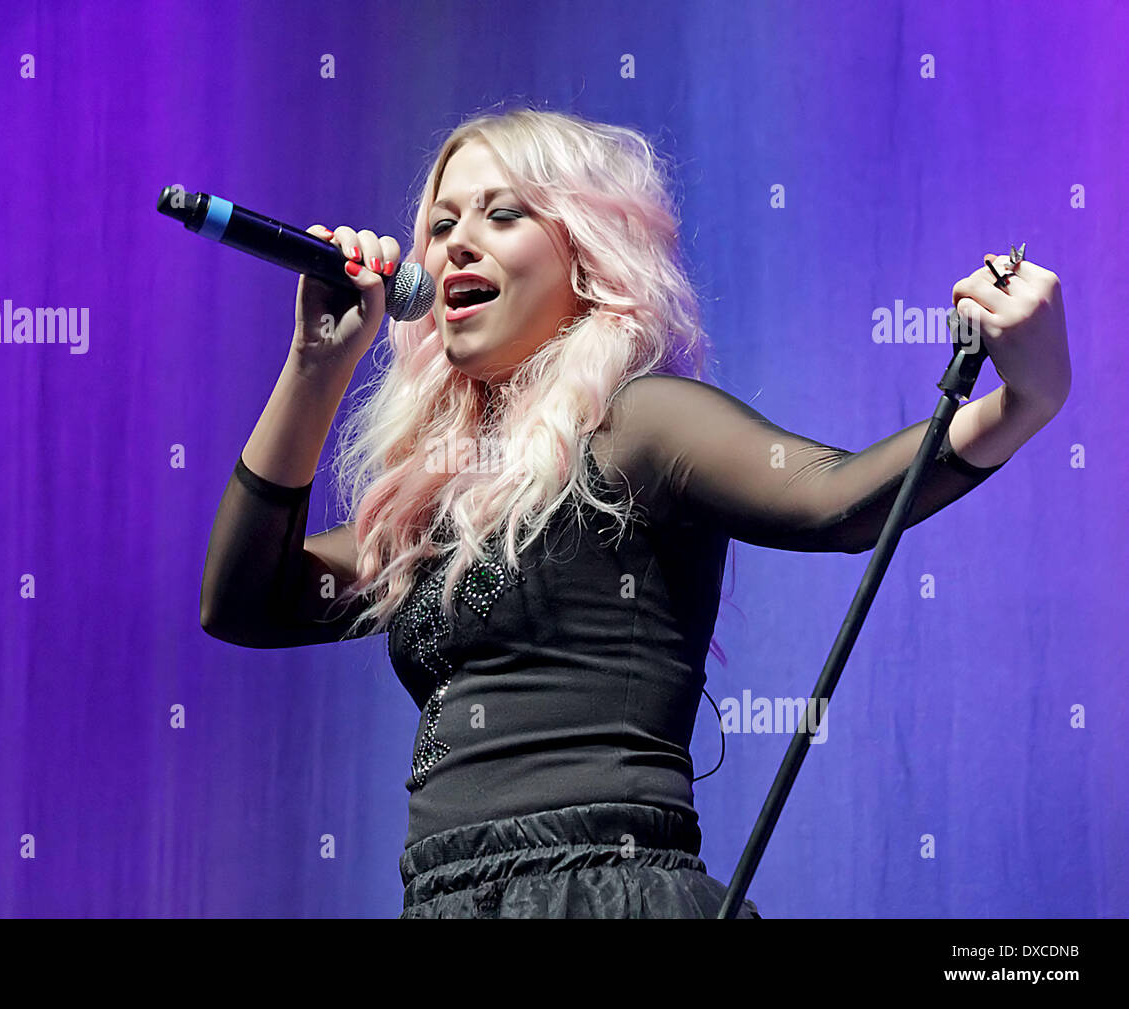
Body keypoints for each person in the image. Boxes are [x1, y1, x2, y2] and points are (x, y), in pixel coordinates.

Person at [198, 106, 1071, 918]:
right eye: (441, 223)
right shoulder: (440, 512)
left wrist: (1026, 399)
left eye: (502, 214)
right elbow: (245, 602)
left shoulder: (634, 425)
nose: (458, 242)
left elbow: (833, 501)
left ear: (583, 255)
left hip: (601, 889)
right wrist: (315, 368)